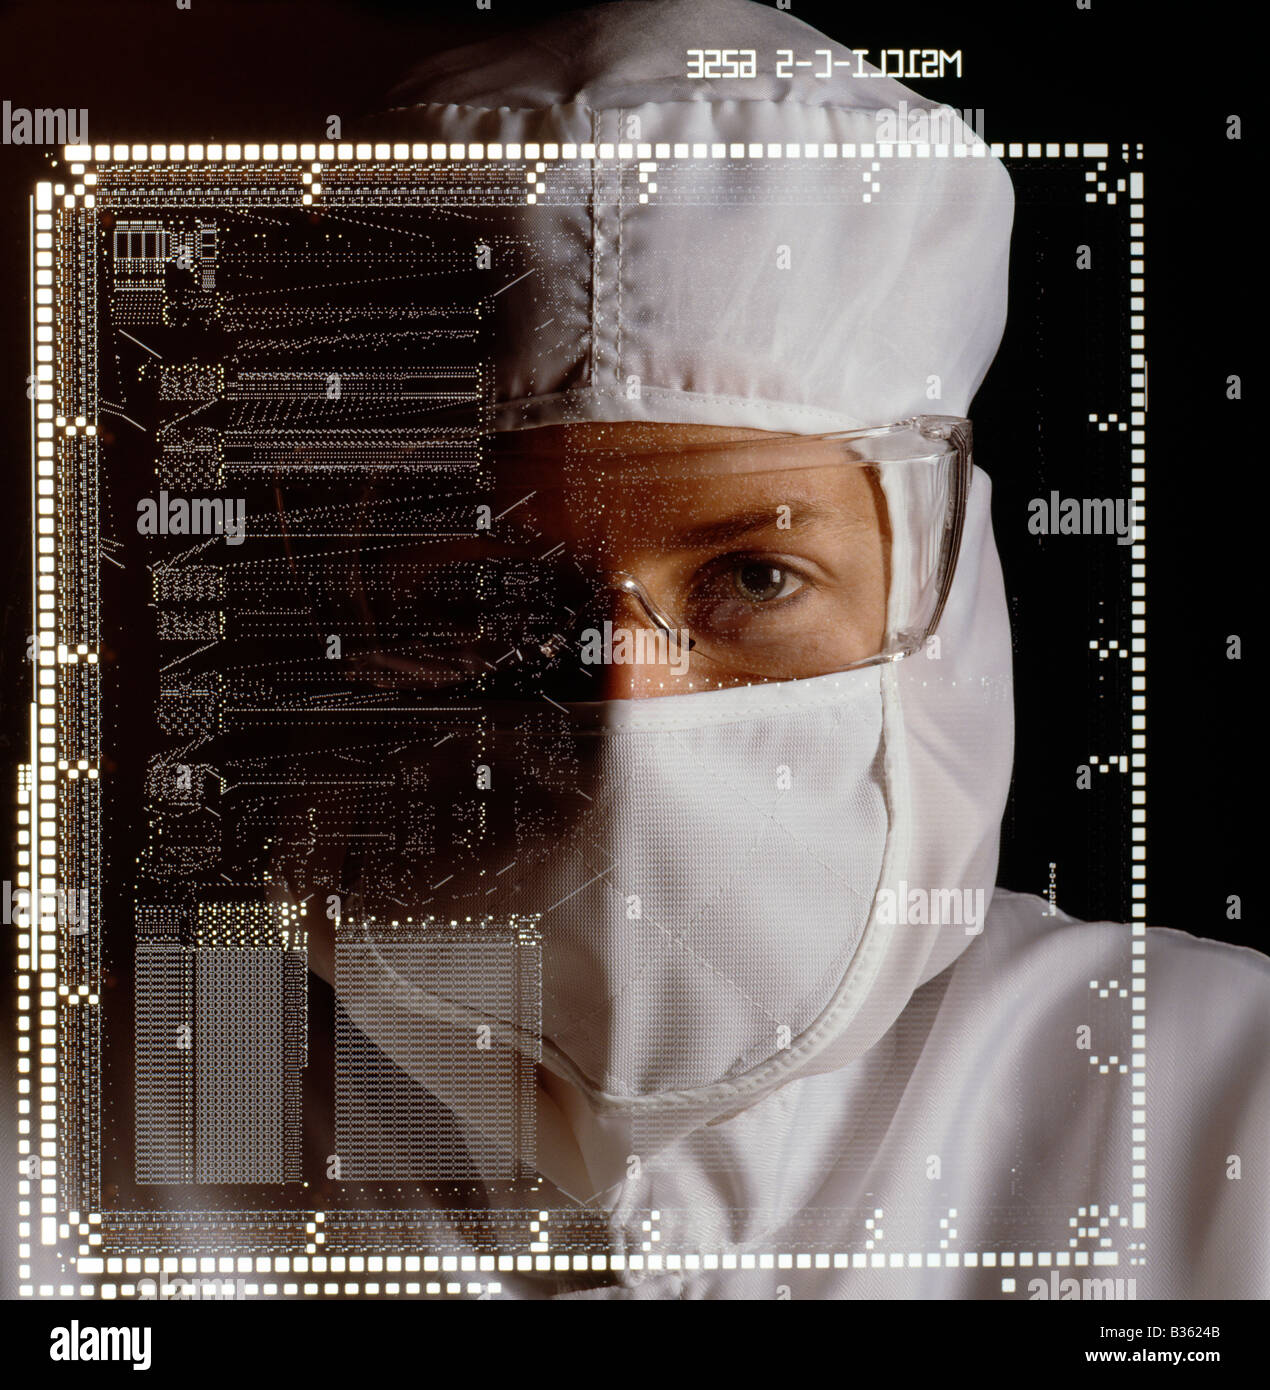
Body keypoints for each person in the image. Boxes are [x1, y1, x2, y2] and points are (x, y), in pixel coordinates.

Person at [281, 0, 1267, 1297]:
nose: (629, 708)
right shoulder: (96, 1128)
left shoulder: (1217, 1095)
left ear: (937, 600)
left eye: (755, 576)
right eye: (488, 590)